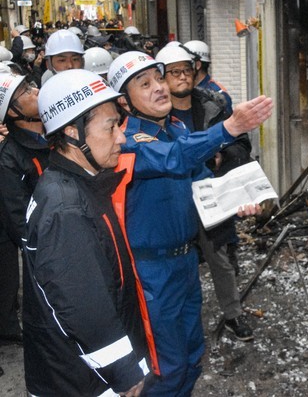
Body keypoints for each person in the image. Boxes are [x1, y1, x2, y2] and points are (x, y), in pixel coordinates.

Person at [107, 51, 273, 395]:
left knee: (192, 356)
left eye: (159, 78)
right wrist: (229, 128)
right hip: (151, 271)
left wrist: (235, 202)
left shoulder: (177, 129)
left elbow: (200, 182)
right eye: (145, 84)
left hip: (185, 263)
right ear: (125, 101)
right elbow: (174, 158)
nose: (160, 88)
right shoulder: (127, 140)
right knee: (164, 368)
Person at [23, 69, 150, 396]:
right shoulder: (66, 209)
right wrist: (124, 371)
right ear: (71, 133)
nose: (121, 137)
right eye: (110, 127)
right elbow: (83, 307)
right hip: (83, 383)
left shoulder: (85, 185)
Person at [157, 44, 253, 341]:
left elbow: (242, 143)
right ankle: (180, 326)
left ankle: (234, 314)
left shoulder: (213, 104)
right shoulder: (156, 114)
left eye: (187, 69)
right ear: (163, 77)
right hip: (173, 201)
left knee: (220, 259)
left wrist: (226, 156)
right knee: (177, 266)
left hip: (212, 195)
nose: (183, 77)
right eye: (174, 72)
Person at [0, 73, 48, 343]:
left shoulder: (55, 134)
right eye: (26, 92)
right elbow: (18, 220)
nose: (35, 91)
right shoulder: (9, 158)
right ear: (13, 111)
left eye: (30, 86)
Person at [183, 39, 233, 112]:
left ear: (197, 65)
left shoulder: (217, 95)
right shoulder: (188, 89)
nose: (182, 70)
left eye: (186, 66)